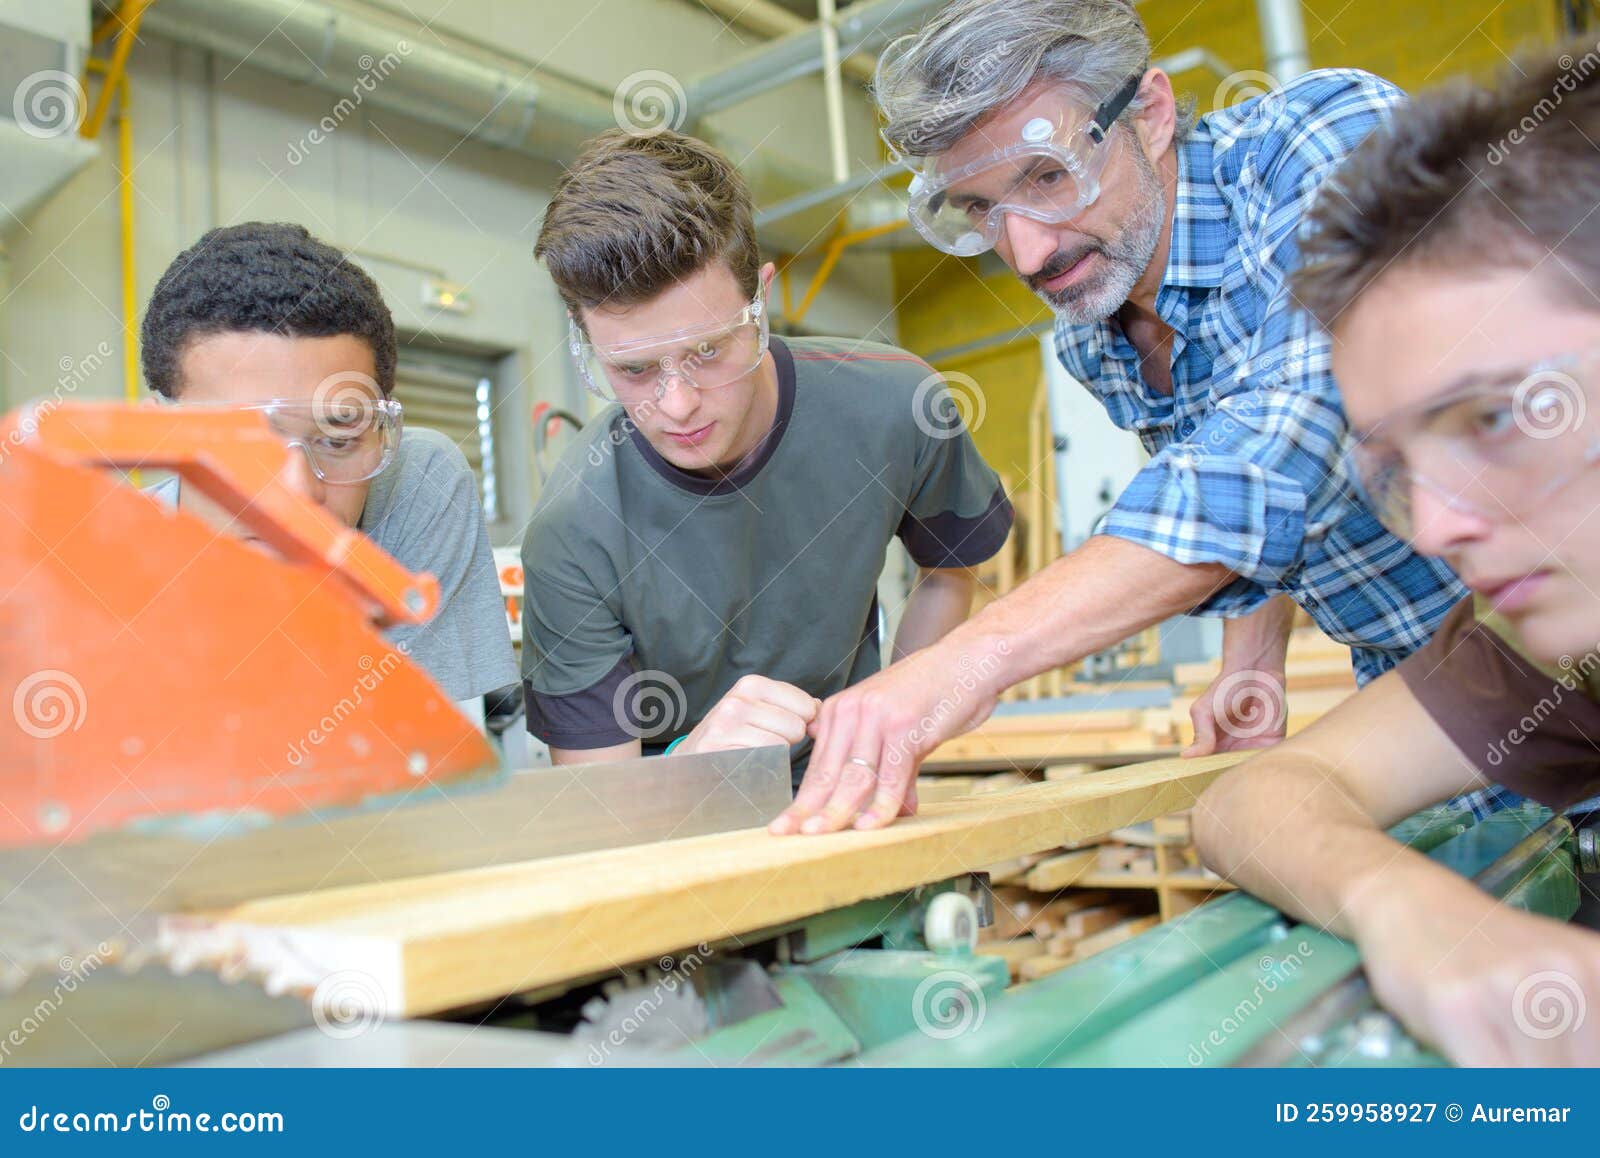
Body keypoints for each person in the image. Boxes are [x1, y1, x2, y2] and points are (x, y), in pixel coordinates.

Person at [771, 0, 1464, 836]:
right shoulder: (1093, 340)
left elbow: (1292, 434)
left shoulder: (1325, 141)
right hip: (1430, 708)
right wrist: (1253, 663)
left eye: (1047, 177)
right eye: (981, 210)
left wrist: (970, 660)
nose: (1027, 253)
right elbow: (1250, 481)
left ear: (1152, 113)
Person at [1194, 42, 1600, 1065]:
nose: (1432, 525)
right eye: (1396, 467)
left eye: (1496, 417)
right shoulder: (1553, 652)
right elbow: (1253, 798)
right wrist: (1402, 901)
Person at [523, 129, 1012, 779]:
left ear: (762, 302)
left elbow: (953, 568)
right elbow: (602, 809)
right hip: (676, 834)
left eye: (707, 352)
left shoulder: (898, 405)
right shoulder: (574, 526)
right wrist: (693, 768)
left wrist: (894, 724)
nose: (677, 405)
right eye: (634, 369)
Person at [140, 221, 517, 712]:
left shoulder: (417, 483)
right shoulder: (98, 569)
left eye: (339, 440)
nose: (300, 490)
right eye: (246, 442)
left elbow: (420, 757)